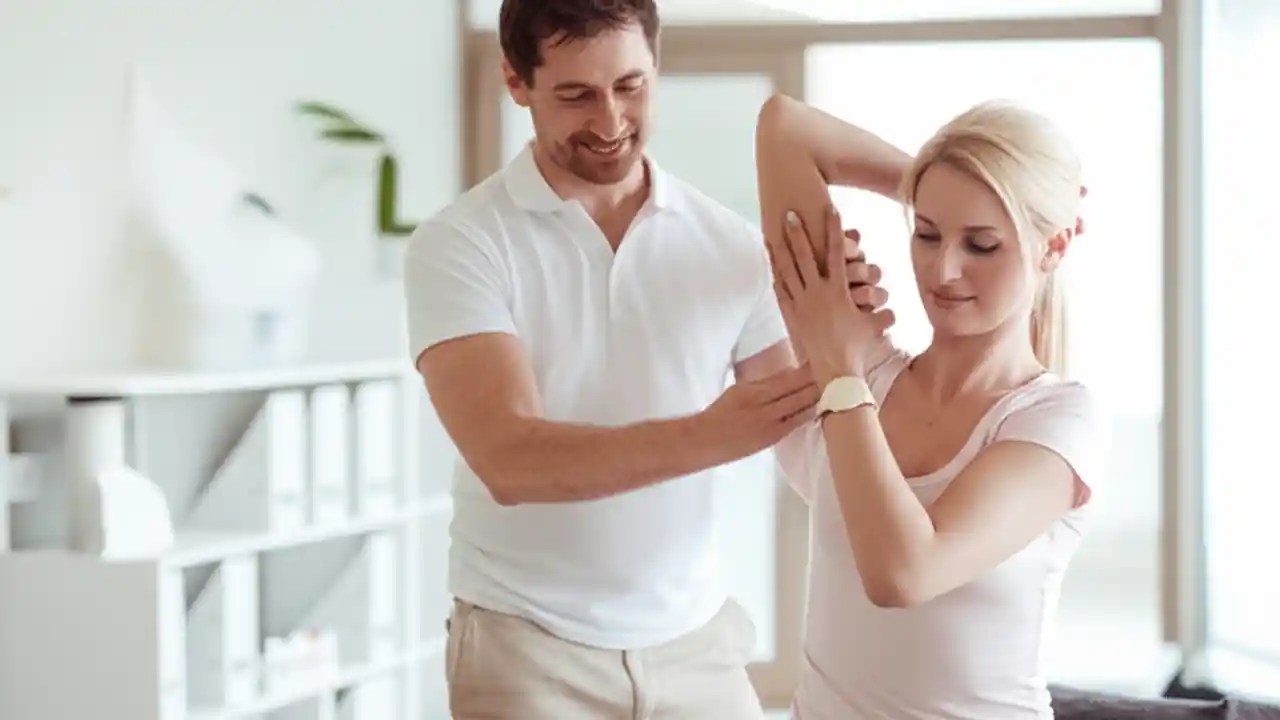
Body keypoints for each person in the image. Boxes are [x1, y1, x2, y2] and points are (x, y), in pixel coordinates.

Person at [402, 2, 885, 717]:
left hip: (697, 646)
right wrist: (711, 434)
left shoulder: (727, 245)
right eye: (575, 95)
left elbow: (803, 450)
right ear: (515, 80)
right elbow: (509, 458)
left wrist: (846, 341)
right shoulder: (463, 243)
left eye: (631, 86)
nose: (609, 122)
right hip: (528, 651)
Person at [755, 95, 1106, 719]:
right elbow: (784, 127)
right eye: (927, 233)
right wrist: (931, 184)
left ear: (1053, 247)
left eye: (982, 243)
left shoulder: (1055, 421)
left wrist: (839, 372)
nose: (943, 270)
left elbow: (903, 574)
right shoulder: (867, 373)